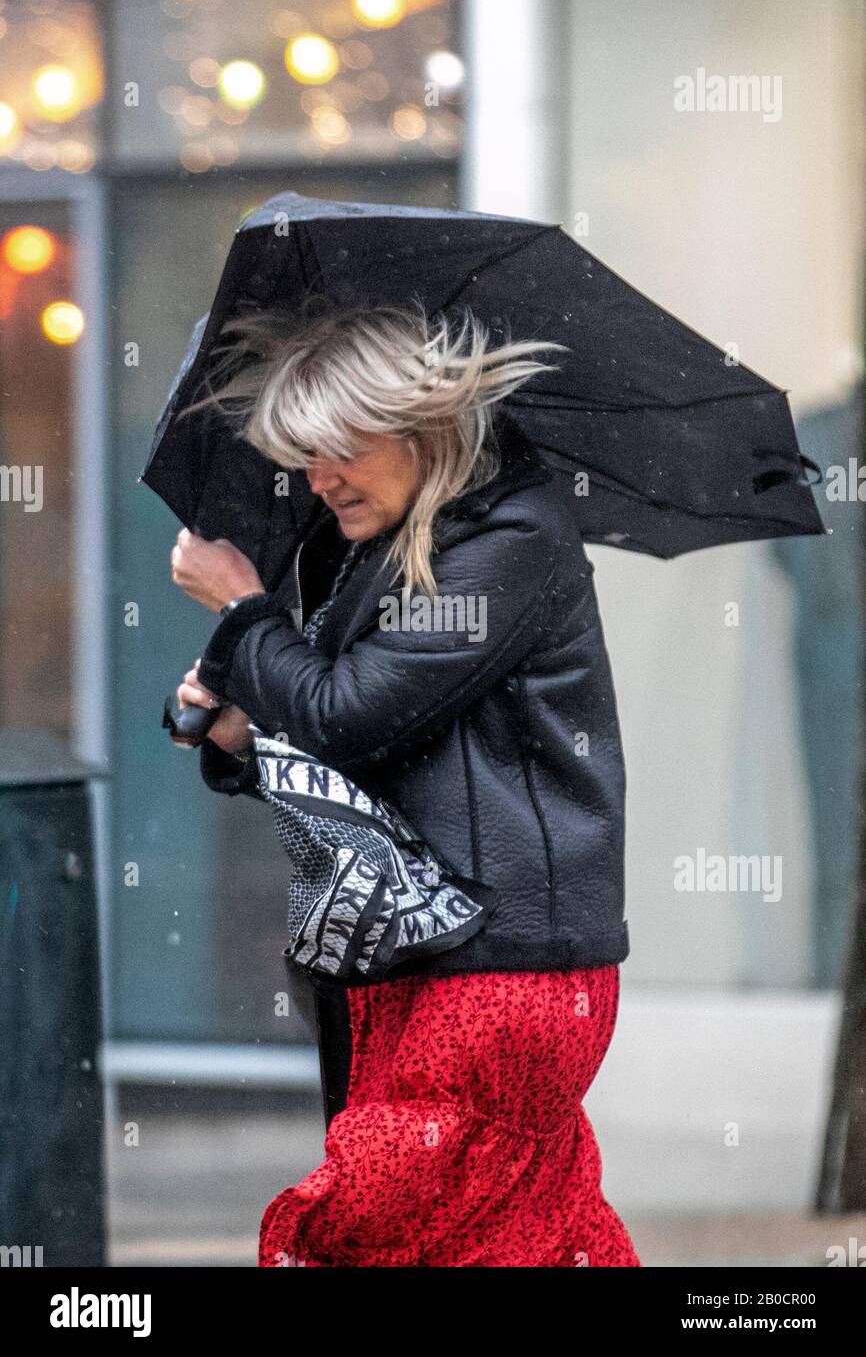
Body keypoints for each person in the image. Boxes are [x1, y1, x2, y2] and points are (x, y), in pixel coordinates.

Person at [171, 300, 641, 1268]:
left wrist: (244, 613)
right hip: (423, 962)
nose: (319, 478)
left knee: (356, 1225)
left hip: (499, 968)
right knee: (526, 1238)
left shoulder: (513, 540)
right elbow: (359, 749)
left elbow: (350, 712)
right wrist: (242, 731)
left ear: (420, 425)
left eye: (338, 446)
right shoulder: (381, 552)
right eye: (303, 455)